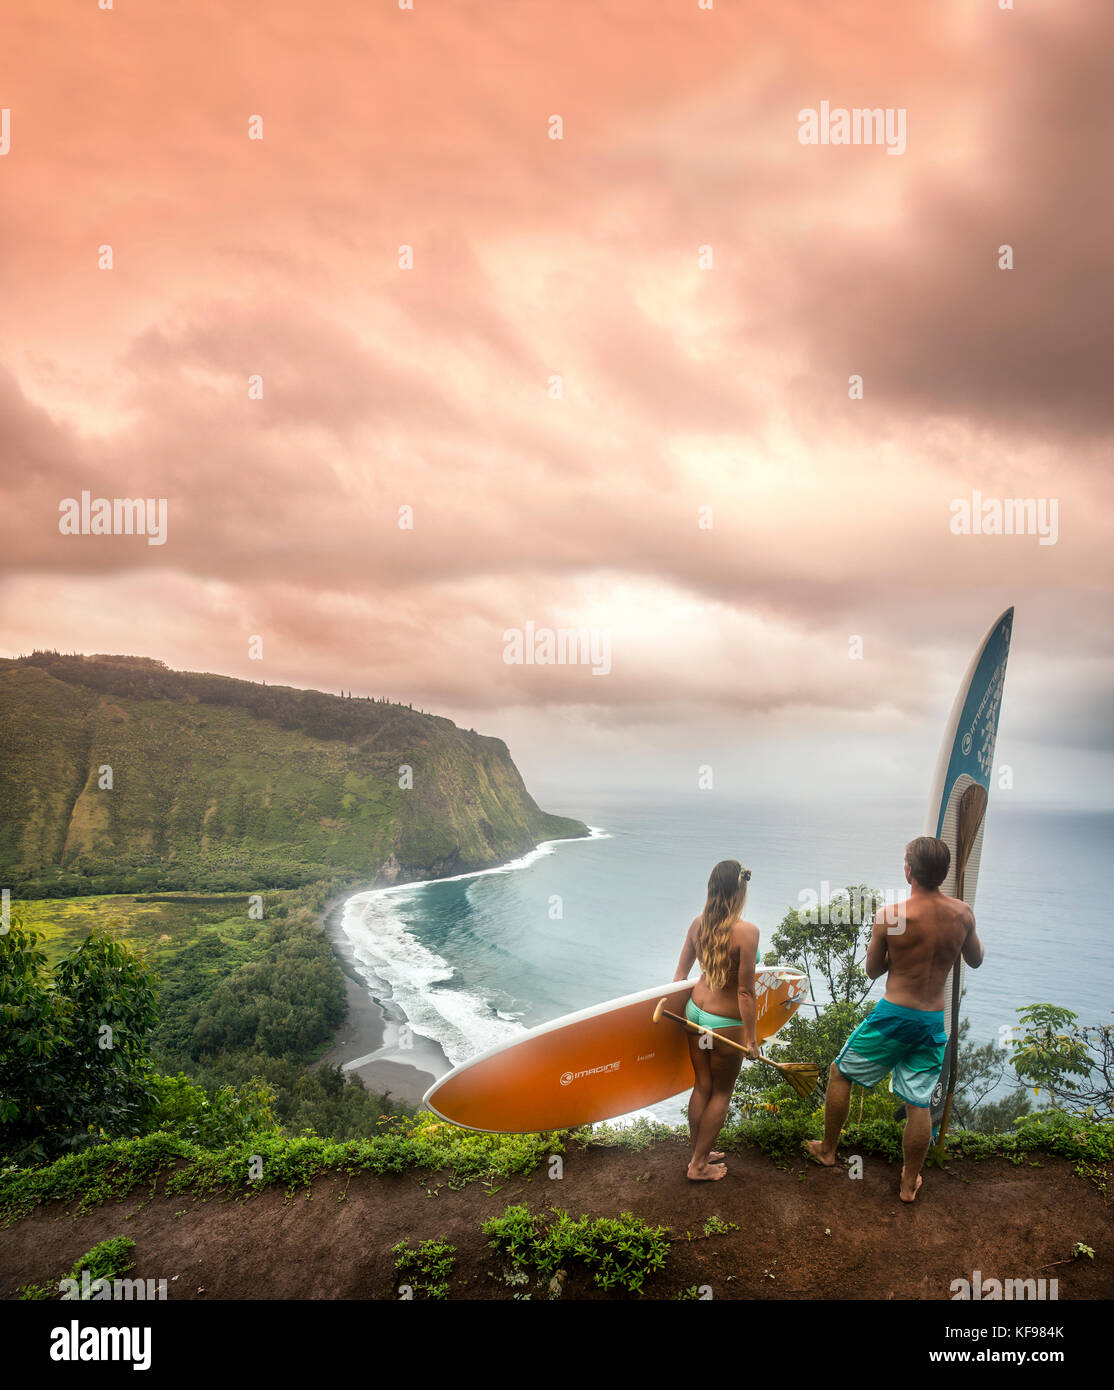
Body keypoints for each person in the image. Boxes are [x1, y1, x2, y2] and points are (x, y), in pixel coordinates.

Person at [806, 835, 984, 1202]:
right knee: (918, 1102)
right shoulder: (962, 914)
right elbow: (975, 958)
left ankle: (827, 1150)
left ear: (909, 871)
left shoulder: (891, 916)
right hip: (932, 1021)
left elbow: (873, 970)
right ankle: (908, 1183)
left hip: (894, 1017)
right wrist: (955, 936)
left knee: (841, 1072)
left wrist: (898, 954)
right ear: (943, 872)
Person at [673, 859, 762, 1182]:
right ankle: (698, 1166)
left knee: (703, 1085)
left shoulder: (698, 924)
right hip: (723, 1022)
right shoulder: (747, 932)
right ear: (739, 892)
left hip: (694, 1014)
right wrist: (752, 1041)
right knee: (722, 1092)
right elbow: (745, 992)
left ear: (711, 888)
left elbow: (680, 977)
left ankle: (699, 1150)